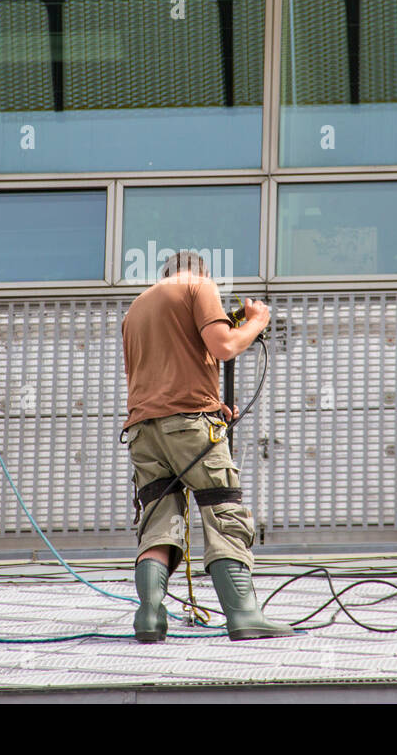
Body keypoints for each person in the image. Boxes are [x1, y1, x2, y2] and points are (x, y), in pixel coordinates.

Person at [120, 249, 295, 642]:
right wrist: (256, 322)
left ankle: (149, 617)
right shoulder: (198, 286)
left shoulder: (135, 310)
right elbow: (224, 346)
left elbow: (158, 376)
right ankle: (244, 614)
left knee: (159, 521)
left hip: (144, 433)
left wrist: (212, 407)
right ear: (200, 272)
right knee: (224, 511)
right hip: (188, 426)